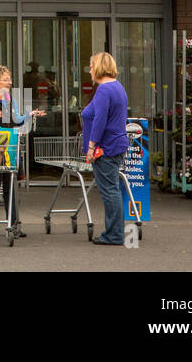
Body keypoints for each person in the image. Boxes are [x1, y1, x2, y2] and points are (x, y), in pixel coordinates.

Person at [0, 65, 44, 237]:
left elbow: (16, 120)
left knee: (10, 187)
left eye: (9, 79)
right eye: (6, 79)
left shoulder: (9, 99)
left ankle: (13, 224)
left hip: (10, 147)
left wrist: (30, 114)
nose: (10, 82)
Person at [82, 51, 130, 246]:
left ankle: (114, 234)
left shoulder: (103, 90)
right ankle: (115, 232)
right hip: (117, 144)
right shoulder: (118, 87)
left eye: (91, 66)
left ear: (99, 67)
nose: (90, 71)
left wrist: (91, 146)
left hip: (106, 147)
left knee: (110, 191)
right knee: (113, 189)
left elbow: (100, 120)